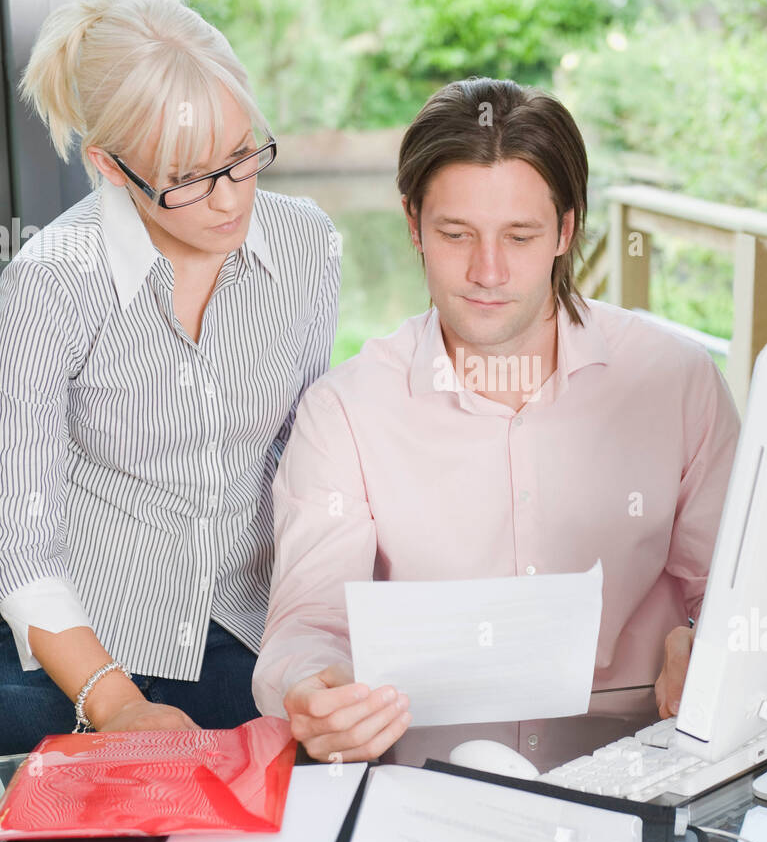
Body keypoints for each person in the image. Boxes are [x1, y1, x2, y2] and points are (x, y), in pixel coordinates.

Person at [253, 77, 739, 767]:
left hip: (642, 768)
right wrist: (310, 687)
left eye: (520, 236)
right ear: (413, 225)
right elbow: (309, 623)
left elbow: (737, 589)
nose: (488, 271)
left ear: (566, 229)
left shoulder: (676, 381)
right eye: (456, 234)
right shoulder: (346, 411)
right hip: (427, 781)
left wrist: (713, 642)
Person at [0, 0, 340, 754]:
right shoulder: (48, 282)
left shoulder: (309, 245)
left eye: (242, 155)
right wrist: (118, 706)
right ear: (111, 167)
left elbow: (307, 461)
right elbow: (21, 549)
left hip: (248, 629)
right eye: (188, 178)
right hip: (83, 649)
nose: (230, 200)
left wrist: (317, 635)